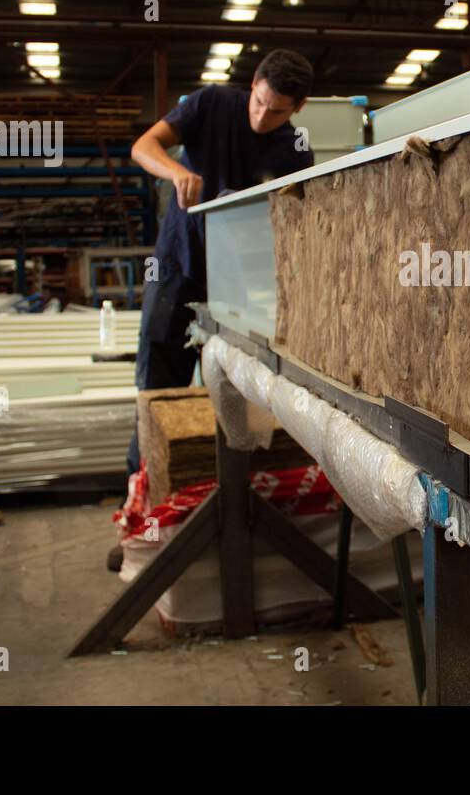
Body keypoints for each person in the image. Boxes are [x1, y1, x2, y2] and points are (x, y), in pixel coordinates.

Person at [110, 50, 314, 569]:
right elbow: (142, 146)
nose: (262, 117)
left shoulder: (294, 147)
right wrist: (175, 172)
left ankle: (234, 508)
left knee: (241, 388)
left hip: (241, 283)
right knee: (158, 384)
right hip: (178, 265)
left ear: (298, 109)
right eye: (260, 103)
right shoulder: (209, 104)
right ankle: (141, 517)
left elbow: (294, 221)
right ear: (253, 85)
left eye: (277, 112)